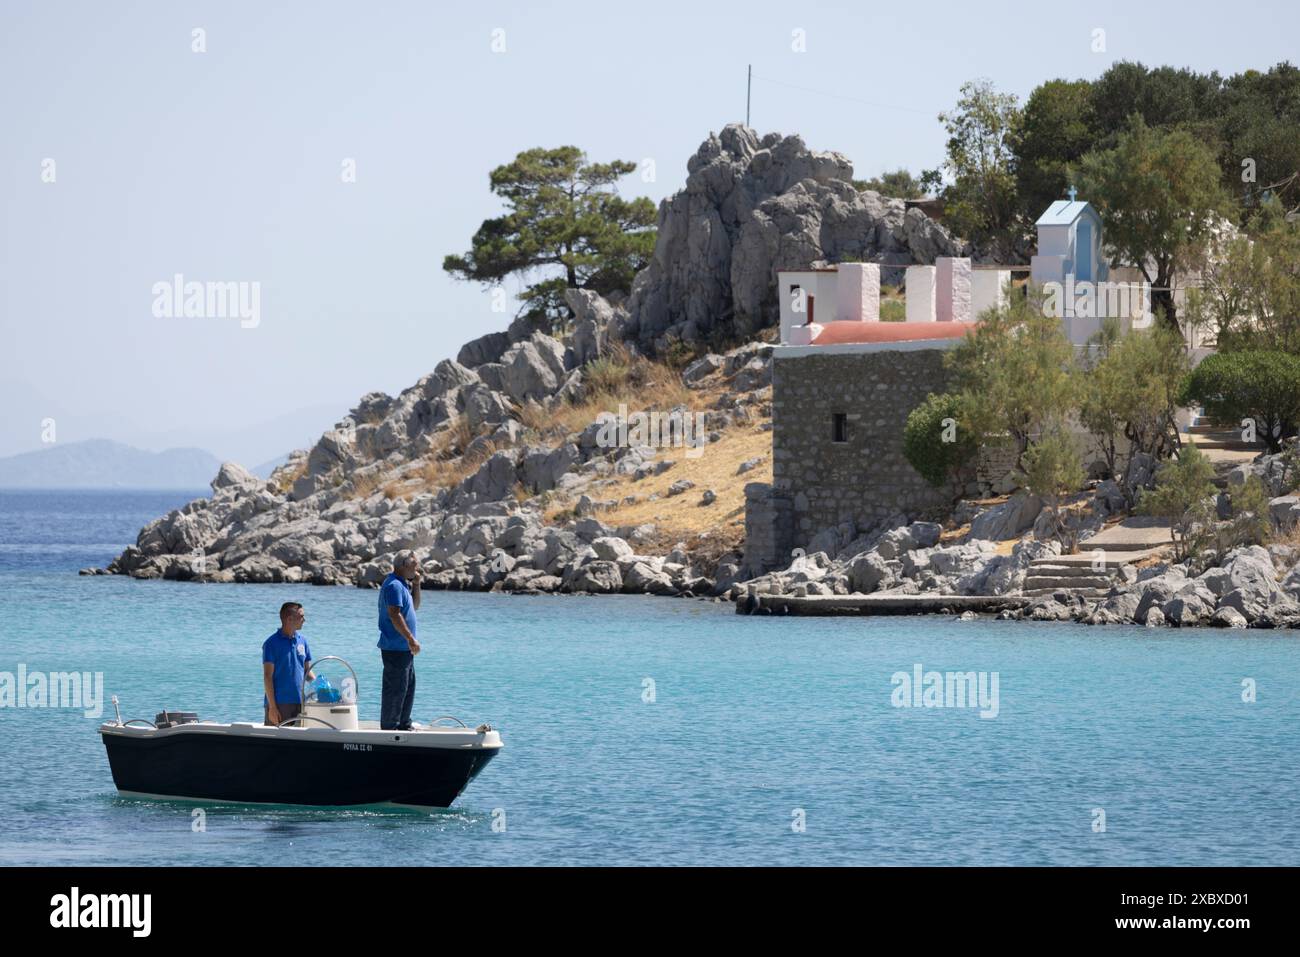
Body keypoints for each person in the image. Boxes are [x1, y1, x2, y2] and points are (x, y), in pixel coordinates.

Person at [377, 551, 422, 731]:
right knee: (396, 689)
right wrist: (411, 639)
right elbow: (394, 615)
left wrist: (417, 585)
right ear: (404, 565)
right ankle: (390, 727)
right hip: (395, 647)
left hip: (403, 648)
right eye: (415, 565)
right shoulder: (394, 585)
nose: (417, 569)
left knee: (407, 687)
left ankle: (404, 723)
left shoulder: (403, 585)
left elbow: (415, 606)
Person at [262, 602, 314, 726]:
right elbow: (267, 677)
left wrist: (321, 686)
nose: (304, 620)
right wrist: (272, 708)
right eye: (301, 616)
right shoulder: (271, 644)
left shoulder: (303, 641)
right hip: (280, 704)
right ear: (289, 619)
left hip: (300, 702)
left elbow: (307, 671)